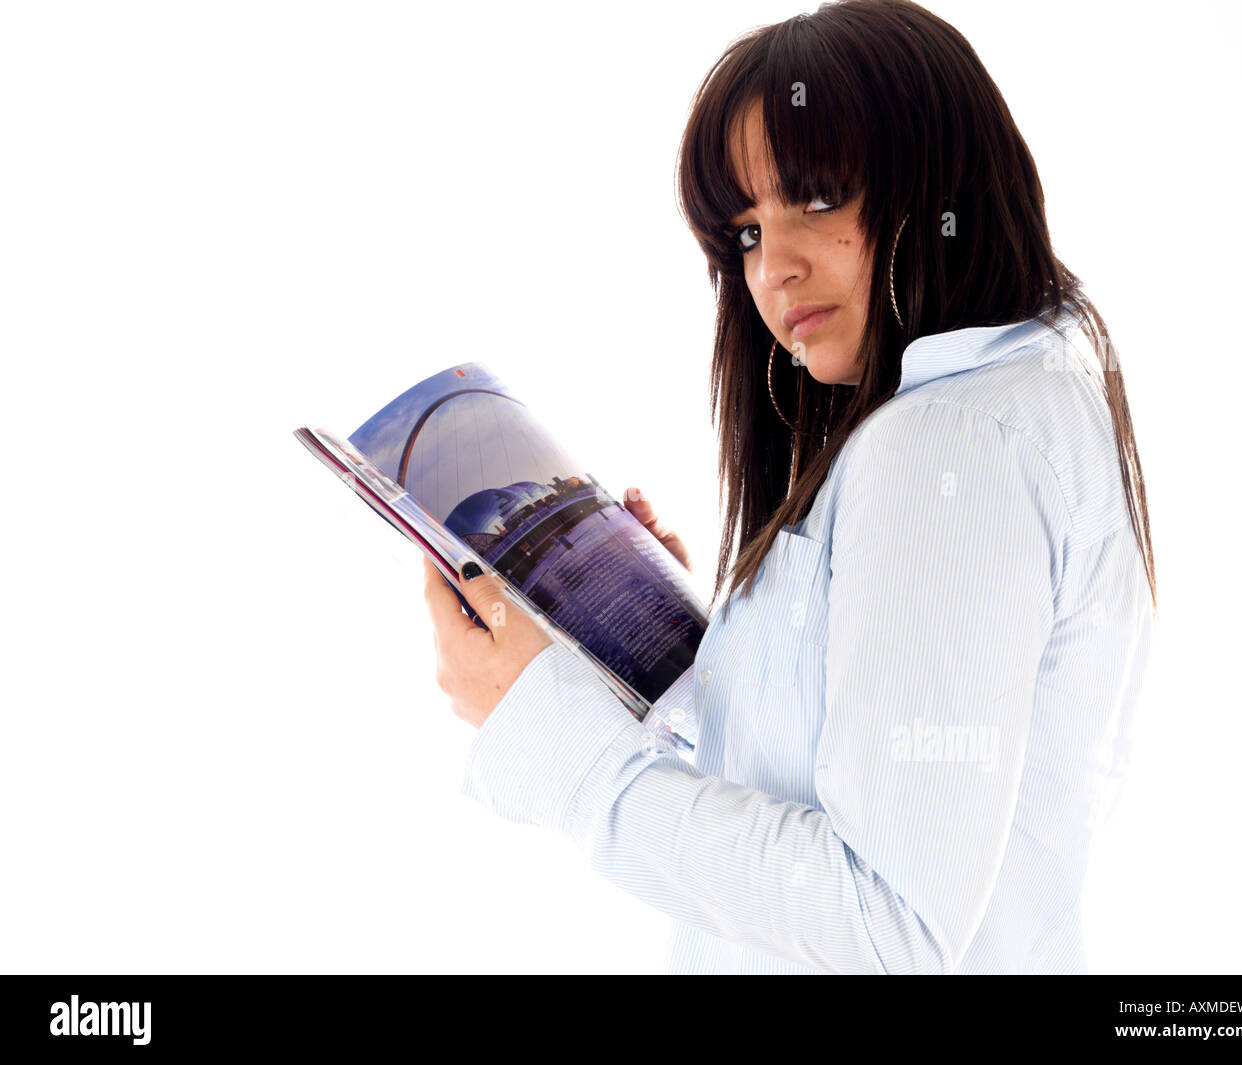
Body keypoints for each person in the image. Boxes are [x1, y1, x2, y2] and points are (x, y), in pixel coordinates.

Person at [423, 0, 1155, 974]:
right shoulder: (1028, 392)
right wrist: (688, 653)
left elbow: (884, 923)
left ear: (940, 184)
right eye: (743, 233)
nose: (775, 269)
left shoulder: (942, 448)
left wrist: (544, 727)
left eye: (817, 197)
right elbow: (875, 767)